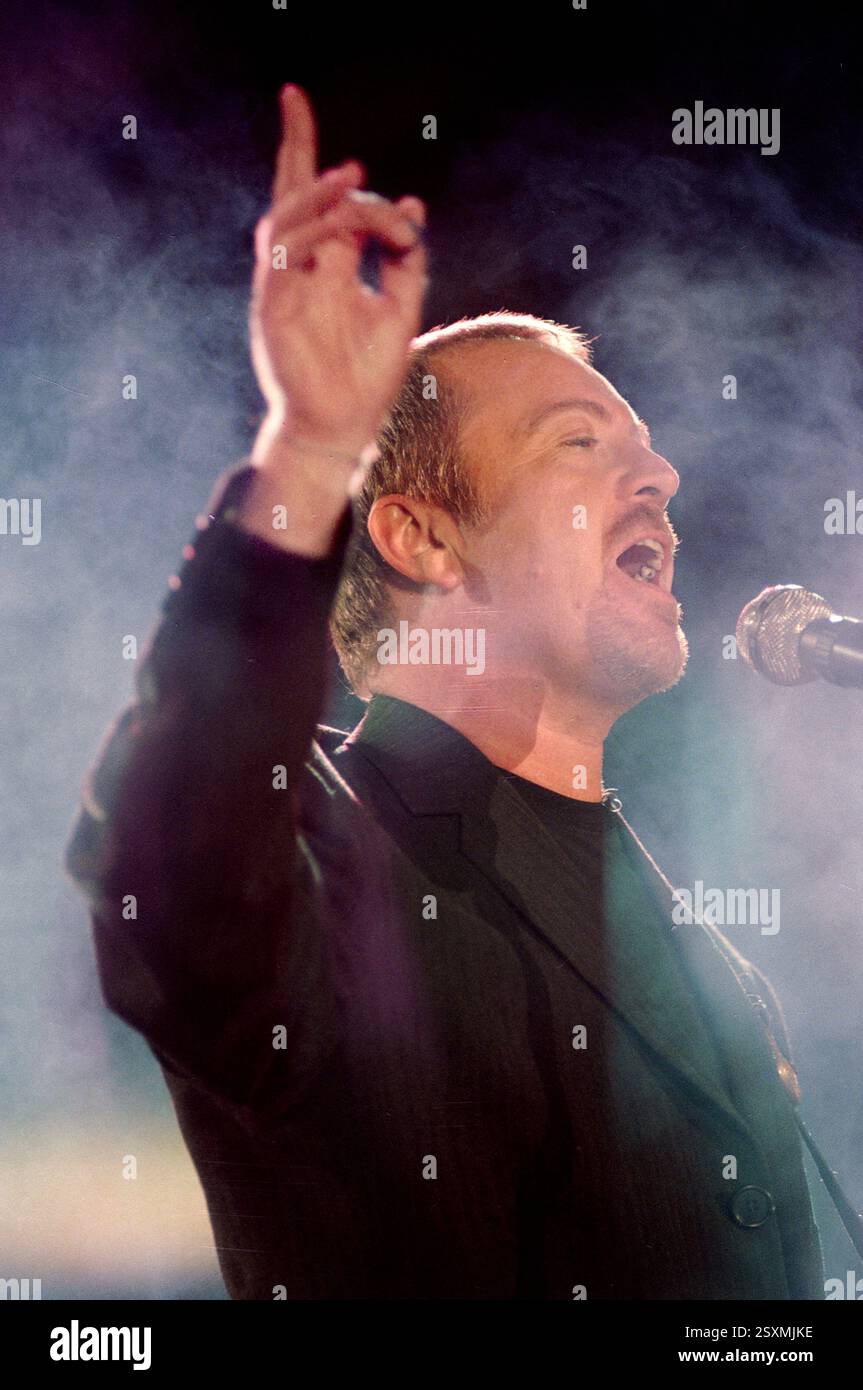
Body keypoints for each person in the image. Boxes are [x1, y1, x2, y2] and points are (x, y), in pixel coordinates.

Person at [66, 85, 823, 1300]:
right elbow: (171, 873)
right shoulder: (331, 847)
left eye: (646, 448)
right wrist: (309, 452)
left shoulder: (700, 952)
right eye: (580, 444)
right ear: (421, 538)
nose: (662, 475)